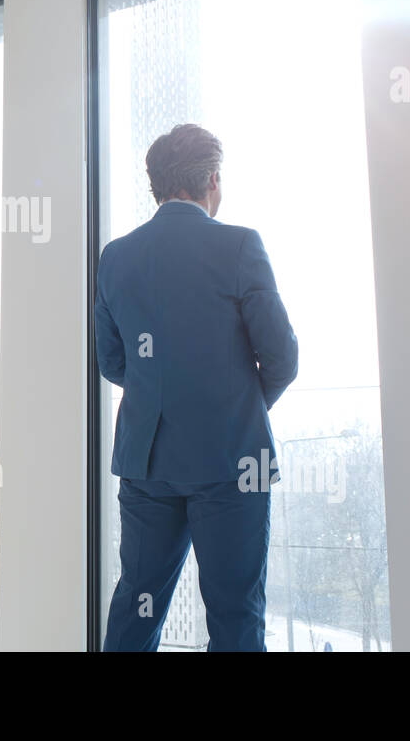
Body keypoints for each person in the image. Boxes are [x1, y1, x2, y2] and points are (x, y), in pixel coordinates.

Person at [95, 123, 298, 651]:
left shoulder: (116, 257)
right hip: (233, 464)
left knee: (137, 602)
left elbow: (113, 361)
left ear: (156, 186)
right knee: (235, 613)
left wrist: (163, 391)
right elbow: (282, 357)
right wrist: (237, 403)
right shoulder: (238, 245)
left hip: (148, 464)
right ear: (212, 180)